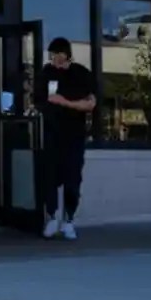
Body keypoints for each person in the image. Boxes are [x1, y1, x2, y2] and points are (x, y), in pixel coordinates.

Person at [38, 37, 96, 240]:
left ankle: (69, 220)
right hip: (51, 134)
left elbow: (90, 104)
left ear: (66, 54)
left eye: (57, 55)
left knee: (72, 179)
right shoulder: (46, 73)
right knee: (49, 178)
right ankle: (52, 217)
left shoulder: (81, 74)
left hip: (74, 135)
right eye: (51, 55)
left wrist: (65, 102)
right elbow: (37, 99)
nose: (54, 59)